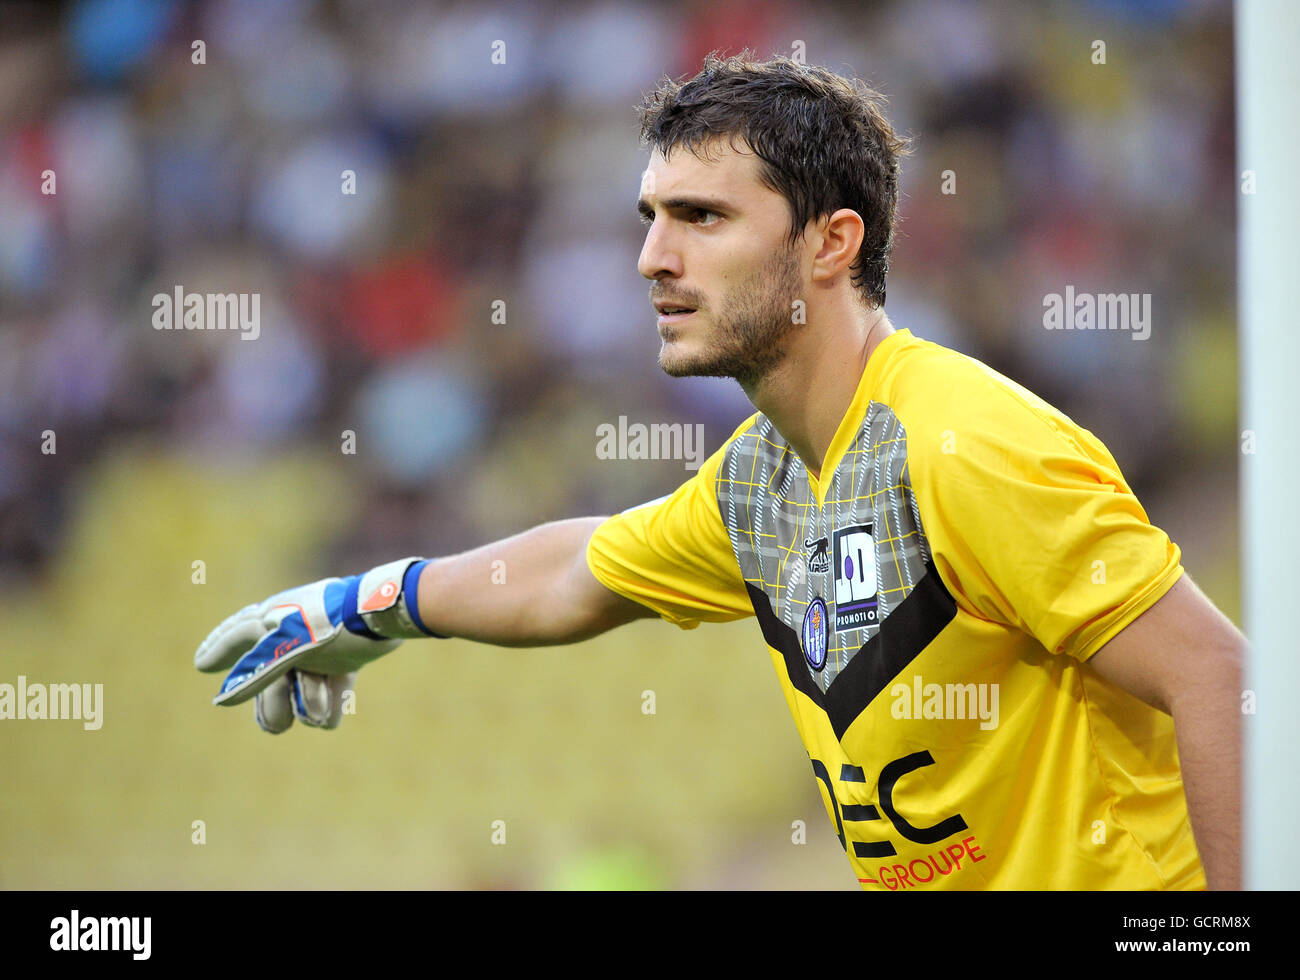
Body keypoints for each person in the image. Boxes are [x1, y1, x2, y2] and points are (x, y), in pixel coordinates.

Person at [194, 53, 1245, 890]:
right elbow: (576, 572)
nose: (652, 256)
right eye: (649, 218)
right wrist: (366, 601)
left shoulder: (966, 442)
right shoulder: (761, 483)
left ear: (833, 243)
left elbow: (1220, 677)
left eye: (700, 217)